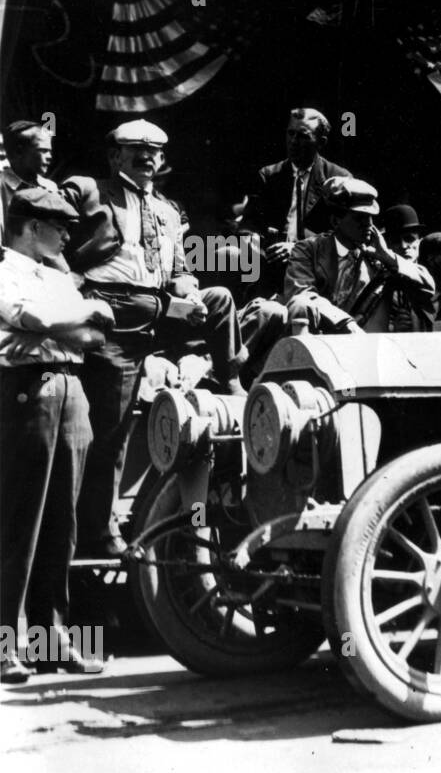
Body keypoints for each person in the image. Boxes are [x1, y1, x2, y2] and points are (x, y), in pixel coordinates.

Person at [67, 120, 245, 559]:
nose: (146, 157)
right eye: (135, 149)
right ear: (115, 156)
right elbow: (50, 235)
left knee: (220, 299)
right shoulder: (90, 190)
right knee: (112, 429)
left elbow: (179, 271)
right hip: (115, 312)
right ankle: (99, 530)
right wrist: (72, 285)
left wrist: (189, 293)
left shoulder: (167, 209)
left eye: (154, 152)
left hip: (162, 309)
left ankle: (232, 382)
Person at [1, 188, 113, 684]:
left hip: (71, 390)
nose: (68, 235)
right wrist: (85, 310)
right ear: (31, 226)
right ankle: (5, 645)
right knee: (19, 525)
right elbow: (38, 318)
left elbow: (95, 337)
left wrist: (61, 324)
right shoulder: (5, 272)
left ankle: (49, 640)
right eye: (59, 226)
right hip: (27, 391)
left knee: (61, 524)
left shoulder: (56, 276)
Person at [284, 177, 437, 334]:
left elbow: (428, 288)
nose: (368, 224)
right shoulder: (309, 250)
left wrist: (388, 256)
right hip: (320, 340)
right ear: (335, 221)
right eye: (360, 218)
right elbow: (302, 295)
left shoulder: (377, 254)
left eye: (370, 217)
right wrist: (345, 323)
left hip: (366, 341)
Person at [241, 108, 352, 300]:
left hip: (315, 266)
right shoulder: (269, 176)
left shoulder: (339, 179)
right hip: (271, 262)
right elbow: (248, 226)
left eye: (302, 136)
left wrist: (298, 248)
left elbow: (346, 235)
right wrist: (255, 246)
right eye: (290, 134)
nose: (293, 141)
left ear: (321, 142)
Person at [1, 120, 59, 249]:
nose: (49, 156)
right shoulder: (2, 187)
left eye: (50, 151)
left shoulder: (50, 188)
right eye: (43, 150)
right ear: (19, 152)